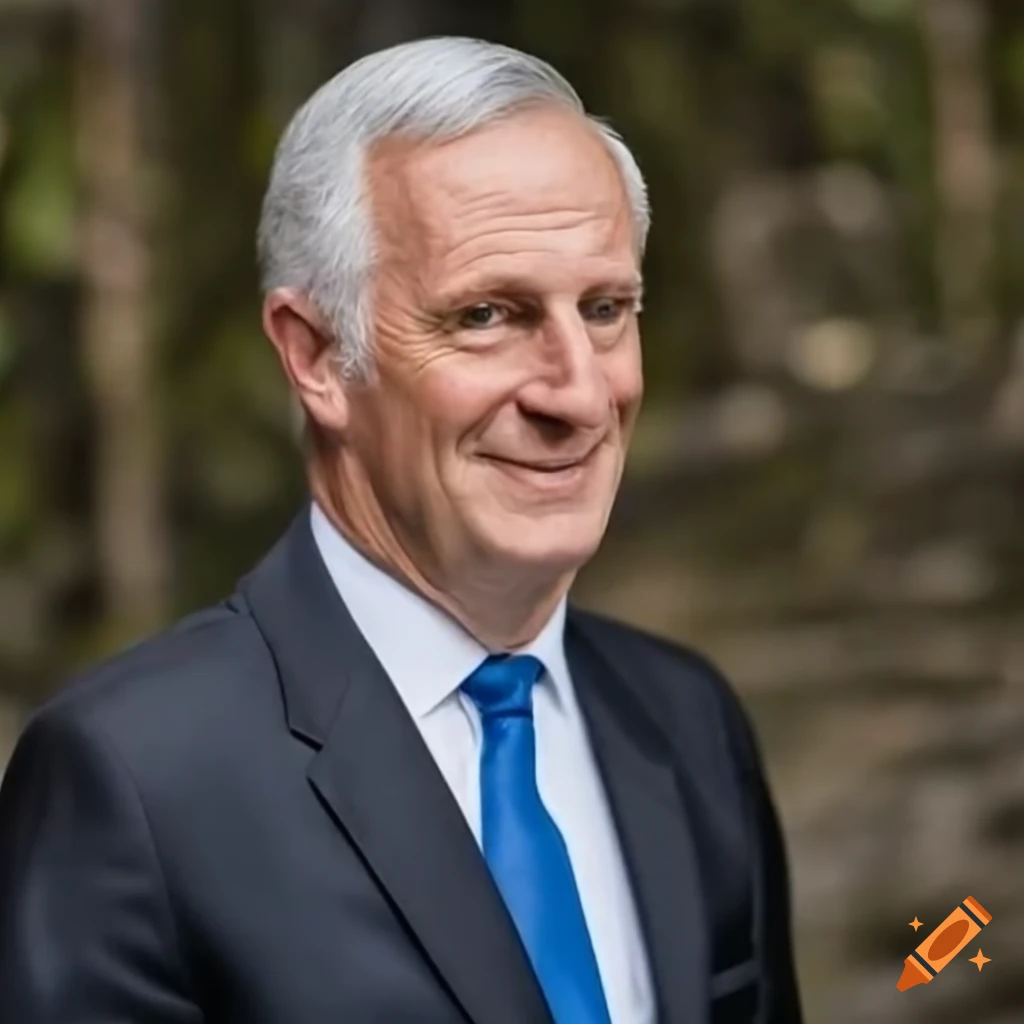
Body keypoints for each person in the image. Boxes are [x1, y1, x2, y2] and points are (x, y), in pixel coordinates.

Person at [0, 37, 802, 1024]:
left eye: (604, 307)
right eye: (487, 315)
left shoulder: (688, 722)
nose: (580, 392)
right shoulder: (131, 781)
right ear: (317, 356)